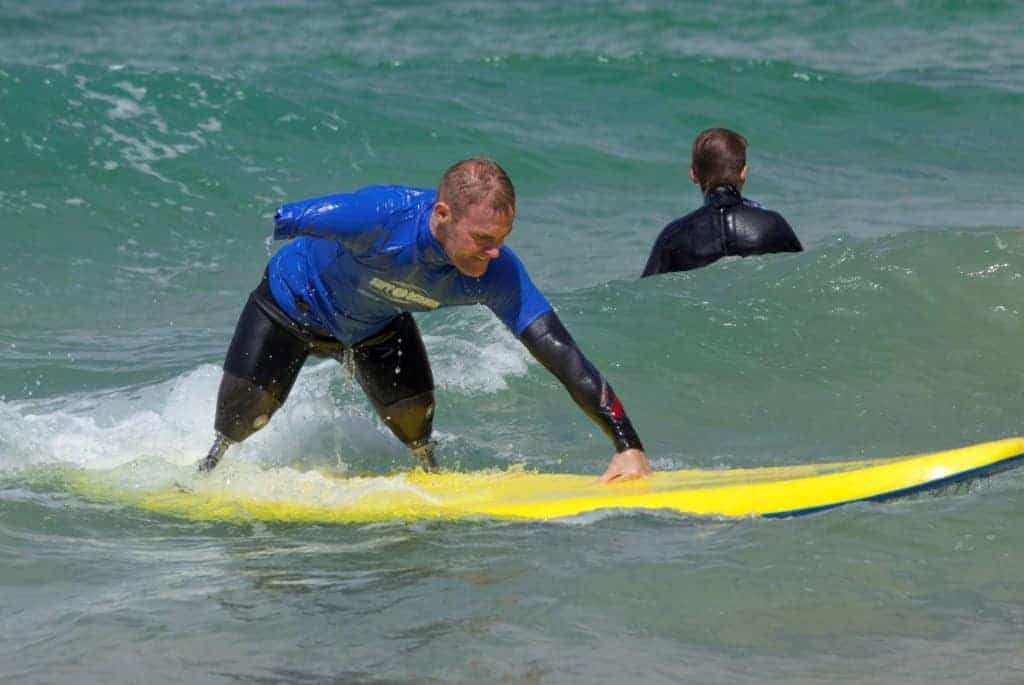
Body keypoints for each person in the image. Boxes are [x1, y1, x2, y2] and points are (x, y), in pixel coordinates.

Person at [198, 158, 652, 483]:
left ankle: (433, 484)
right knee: (239, 423)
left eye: (502, 239)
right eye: (481, 238)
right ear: (442, 214)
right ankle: (204, 477)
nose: (493, 252)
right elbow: (271, 220)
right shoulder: (377, 217)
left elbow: (561, 353)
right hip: (288, 309)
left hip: (376, 327)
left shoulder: (496, 273)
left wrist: (627, 445)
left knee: (416, 428)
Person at [642, 128, 802, 277]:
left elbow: (646, 293)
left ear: (693, 174)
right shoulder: (772, 225)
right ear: (744, 173)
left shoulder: (673, 236)